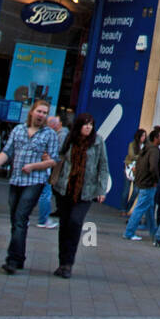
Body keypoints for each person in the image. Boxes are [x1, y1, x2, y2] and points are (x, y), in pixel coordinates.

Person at [0, 99, 59, 275]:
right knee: (15, 219)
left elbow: (53, 161)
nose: (41, 115)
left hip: (35, 181)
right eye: (39, 111)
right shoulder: (18, 130)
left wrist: (34, 166)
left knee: (20, 216)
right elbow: (7, 151)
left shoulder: (49, 134)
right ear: (31, 112)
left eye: (44, 113)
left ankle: (12, 260)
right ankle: (19, 257)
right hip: (16, 180)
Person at [50, 112, 109, 277]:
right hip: (65, 188)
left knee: (75, 223)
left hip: (86, 191)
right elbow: (60, 158)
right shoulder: (70, 139)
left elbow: (103, 167)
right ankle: (62, 262)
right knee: (64, 225)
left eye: (91, 124)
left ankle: (68, 263)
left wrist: (101, 190)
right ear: (79, 126)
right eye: (85, 124)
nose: (88, 127)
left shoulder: (98, 142)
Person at [124, 126, 160, 239]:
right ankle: (129, 232)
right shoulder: (154, 150)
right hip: (149, 183)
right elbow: (153, 167)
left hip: (143, 181)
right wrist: (156, 180)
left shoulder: (146, 148)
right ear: (156, 138)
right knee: (140, 208)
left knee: (149, 209)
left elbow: (140, 164)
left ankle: (154, 232)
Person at [35, 116, 64, 229]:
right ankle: (43, 219)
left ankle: (24, 217)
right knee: (45, 194)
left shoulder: (39, 134)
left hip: (39, 168)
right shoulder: (50, 135)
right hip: (44, 168)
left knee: (38, 193)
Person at [123, 128, 147, 211]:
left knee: (136, 191)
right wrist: (141, 156)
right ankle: (123, 209)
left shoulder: (146, 146)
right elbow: (131, 156)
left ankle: (128, 208)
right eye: (143, 135)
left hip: (139, 170)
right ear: (138, 136)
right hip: (129, 168)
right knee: (126, 190)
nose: (144, 137)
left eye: (145, 135)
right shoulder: (132, 144)